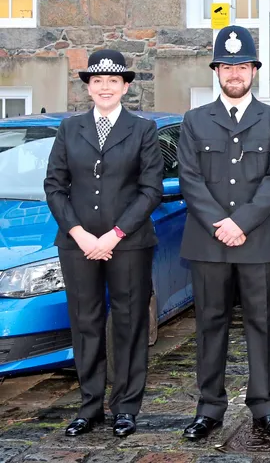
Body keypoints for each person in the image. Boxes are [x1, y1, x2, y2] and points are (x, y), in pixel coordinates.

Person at [177, 26, 270, 441]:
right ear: (216, 71)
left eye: (241, 66)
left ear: (254, 71)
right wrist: (220, 224)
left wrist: (241, 222)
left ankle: (265, 407)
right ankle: (208, 408)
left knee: (262, 324)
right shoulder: (194, 120)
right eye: (227, 67)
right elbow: (189, 179)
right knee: (210, 324)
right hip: (209, 241)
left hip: (258, 239)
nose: (234, 74)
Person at [44, 50, 164, 438]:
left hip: (127, 244)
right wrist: (79, 233)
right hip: (77, 243)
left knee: (129, 324)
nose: (105, 87)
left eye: (113, 81)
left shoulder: (143, 130)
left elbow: (150, 191)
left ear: (126, 86)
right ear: (88, 87)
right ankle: (90, 405)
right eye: (97, 81)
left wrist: (114, 234)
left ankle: (126, 407)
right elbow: (54, 185)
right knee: (86, 323)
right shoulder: (69, 129)